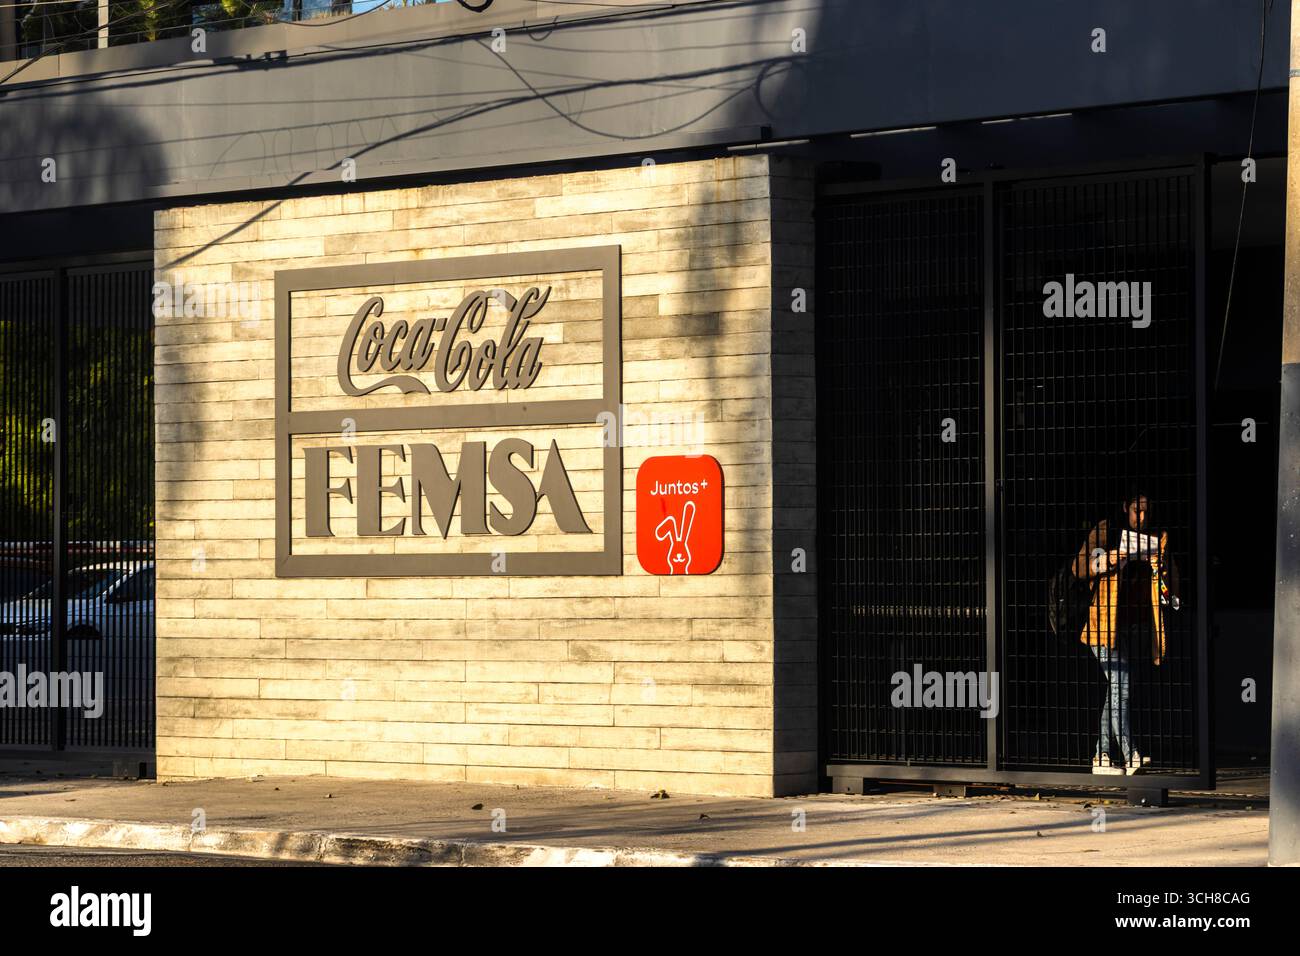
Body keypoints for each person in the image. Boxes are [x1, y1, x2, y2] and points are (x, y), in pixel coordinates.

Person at [1072, 490, 1181, 775]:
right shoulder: (1106, 531)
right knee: (1121, 687)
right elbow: (1078, 567)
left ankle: (1101, 757)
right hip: (1102, 626)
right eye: (1137, 510)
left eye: (1146, 511)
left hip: (1132, 629)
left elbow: (1171, 590)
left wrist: (1159, 570)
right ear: (1125, 507)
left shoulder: (1158, 539)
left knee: (1116, 690)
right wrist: (1105, 560)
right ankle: (1131, 755)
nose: (1141, 517)